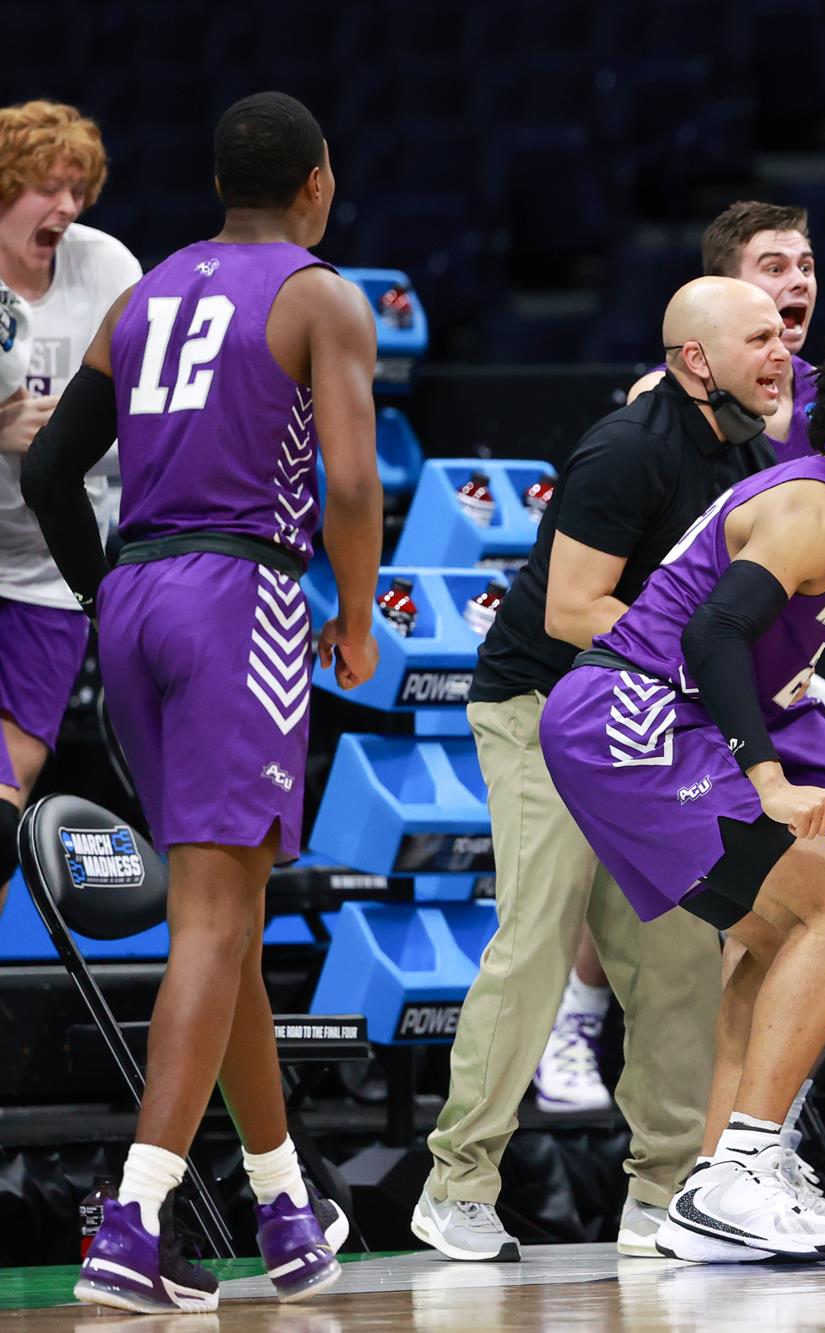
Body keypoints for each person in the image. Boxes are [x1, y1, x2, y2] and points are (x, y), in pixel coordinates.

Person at [22, 91, 378, 1313]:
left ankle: (283, 1207)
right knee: (220, 925)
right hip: (244, 600)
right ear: (317, 183)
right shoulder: (318, 293)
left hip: (134, 602)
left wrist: (104, 589)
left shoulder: (144, 291)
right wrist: (361, 611)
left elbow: (49, 466)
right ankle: (132, 1222)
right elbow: (350, 478)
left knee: (221, 923)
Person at [540, 316, 825, 1263]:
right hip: (632, 721)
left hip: (657, 720)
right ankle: (738, 1169)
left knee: (792, 931)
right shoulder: (812, 510)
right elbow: (712, 636)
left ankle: (721, 1177)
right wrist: (768, 780)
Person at [417, 276, 795, 1262]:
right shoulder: (623, 451)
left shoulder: (750, 460)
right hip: (539, 703)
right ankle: (457, 1184)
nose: (781, 350)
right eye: (756, 336)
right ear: (692, 362)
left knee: (676, 952)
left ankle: (664, 1193)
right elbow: (572, 609)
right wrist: (705, 660)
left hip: (644, 715)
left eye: (780, 334)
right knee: (538, 929)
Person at [0, 101, 140, 887]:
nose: (67, 206)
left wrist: (71, 439)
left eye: (78, 188)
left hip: (51, 570)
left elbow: (152, 405)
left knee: (6, 805)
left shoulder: (109, 266)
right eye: (47, 187)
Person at [629, 201, 818, 460]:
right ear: (725, 286)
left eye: (806, 268)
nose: (800, 281)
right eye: (775, 269)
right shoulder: (662, 395)